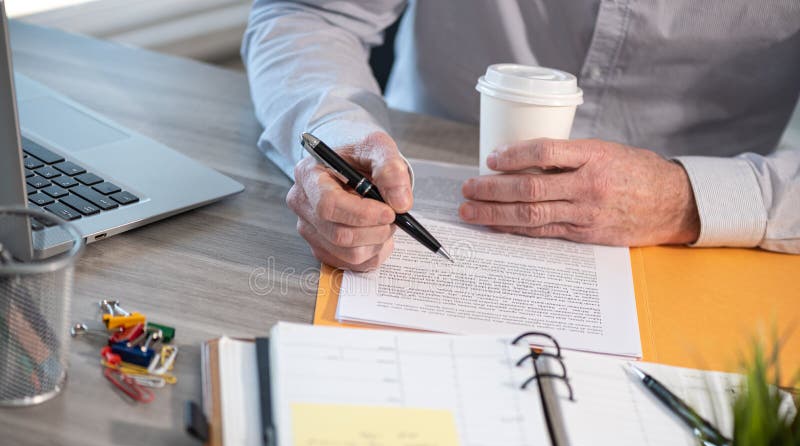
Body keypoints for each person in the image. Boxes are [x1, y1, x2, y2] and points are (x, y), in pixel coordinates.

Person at [242, 1, 800, 270]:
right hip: (422, 174)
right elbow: (310, 13)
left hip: (711, 241)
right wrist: (337, 129)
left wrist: (685, 199)